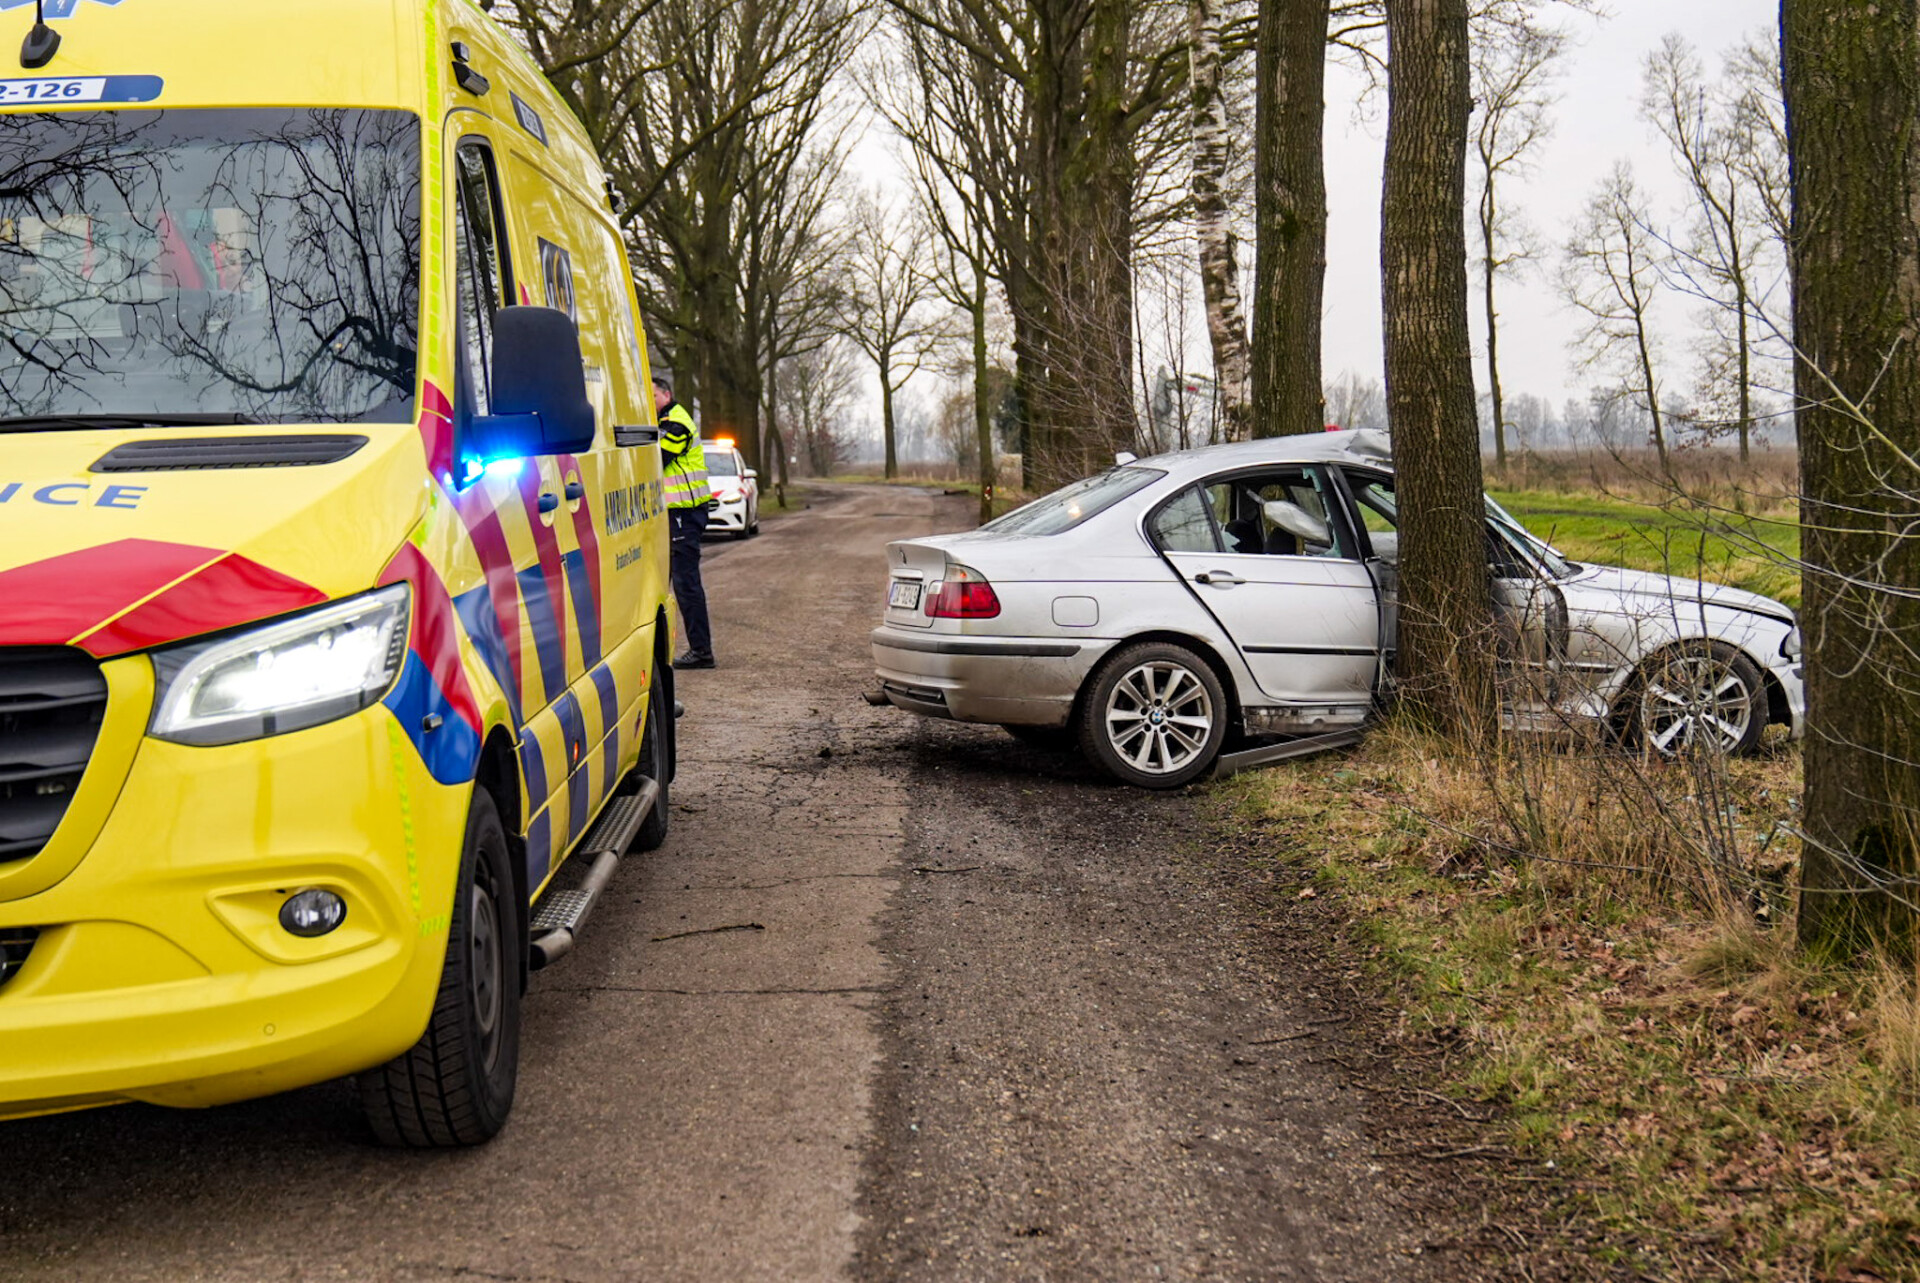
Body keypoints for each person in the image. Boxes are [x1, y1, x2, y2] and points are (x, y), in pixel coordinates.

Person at [655, 372, 714, 669]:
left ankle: (702, 652)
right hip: (678, 513)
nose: (650, 402)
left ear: (666, 394)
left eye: (653, 396)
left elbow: (656, 459)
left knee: (686, 583)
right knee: (678, 582)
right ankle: (696, 648)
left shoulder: (676, 423)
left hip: (684, 514)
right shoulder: (665, 421)